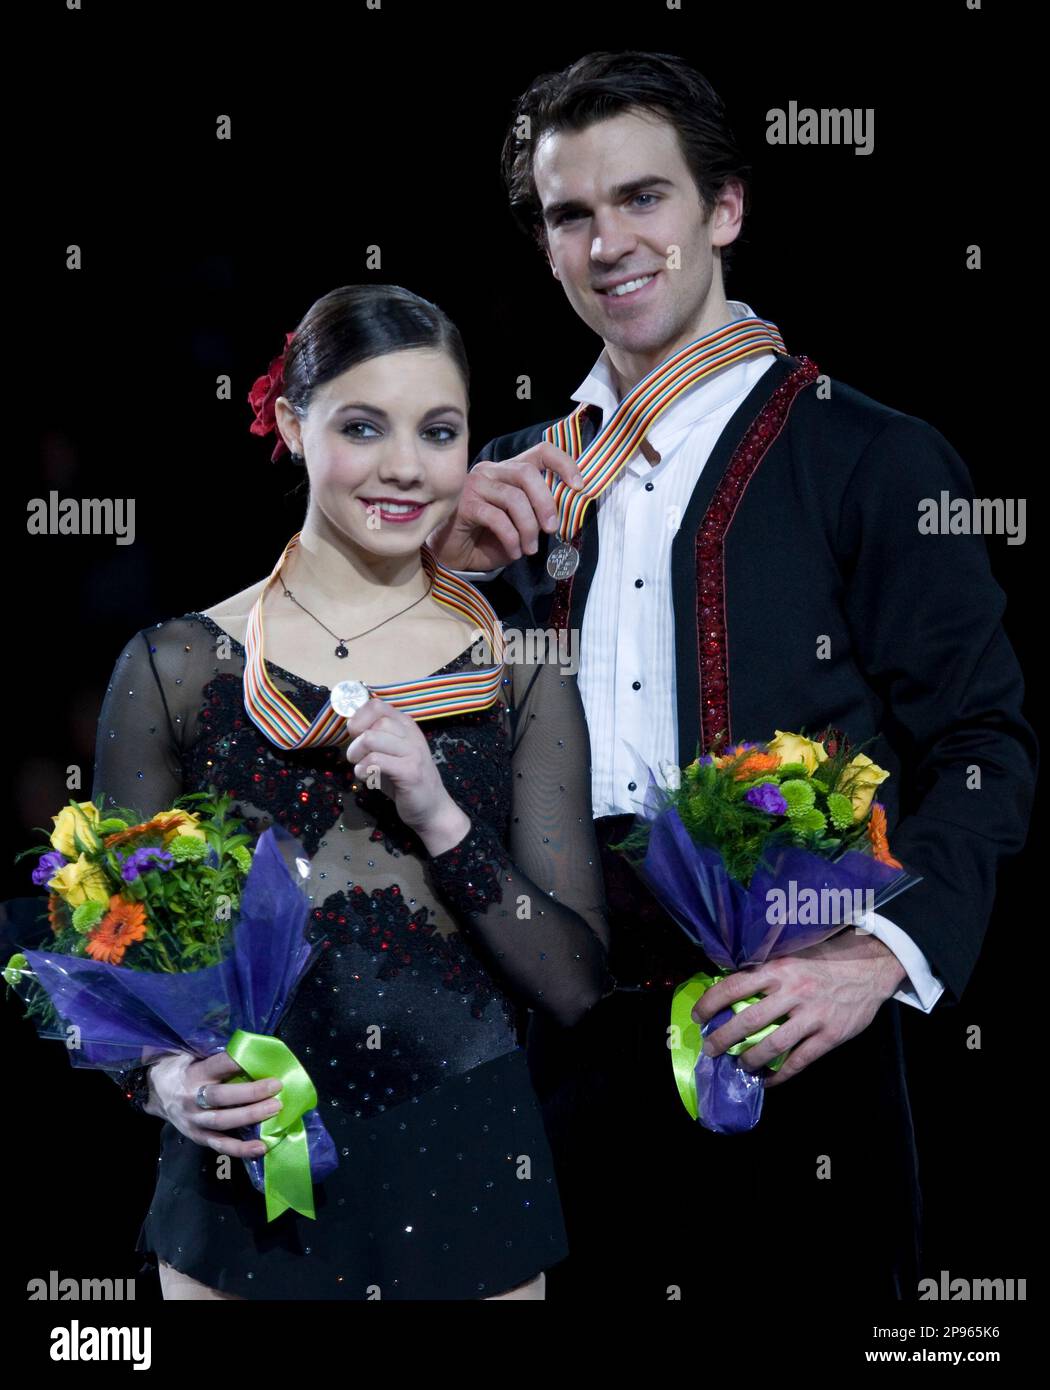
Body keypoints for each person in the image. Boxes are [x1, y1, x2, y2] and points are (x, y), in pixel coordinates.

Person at [426, 51, 1037, 1299]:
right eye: (571, 214)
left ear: (725, 210)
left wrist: (876, 956)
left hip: (793, 1045)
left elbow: (984, 744)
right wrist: (423, 585)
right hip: (544, 1062)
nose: (610, 244)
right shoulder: (494, 489)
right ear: (543, 244)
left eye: (645, 198)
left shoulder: (873, 458)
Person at [93, 283, 612, 1301]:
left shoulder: (522, 672)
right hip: (247, 1177)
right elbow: (102, 957)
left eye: (441, 430)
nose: (406, 467)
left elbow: (576, 983)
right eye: (364, 427)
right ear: (291, 422)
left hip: (468, 1171)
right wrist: (163, 1082)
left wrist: (442, 817)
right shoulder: (177, 666)